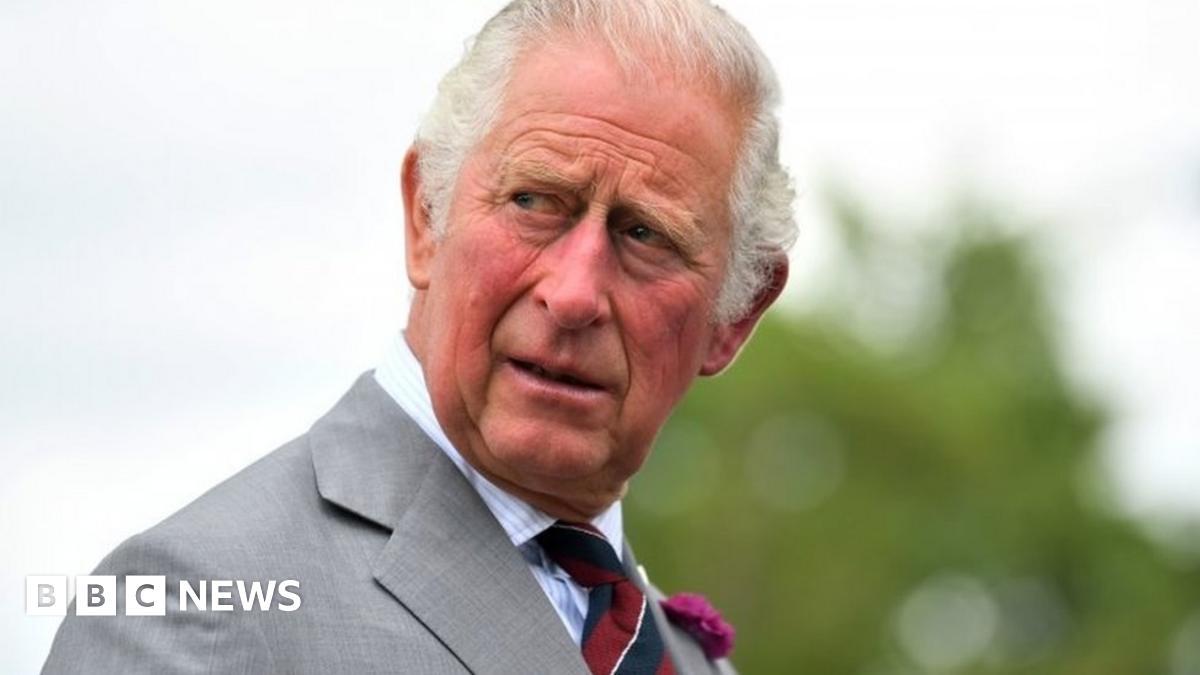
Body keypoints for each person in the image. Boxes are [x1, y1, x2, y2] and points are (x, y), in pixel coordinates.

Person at [42, 1, 796, 673]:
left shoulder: (684, 656)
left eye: (646, 234)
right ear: (426, 217)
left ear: (734, 317)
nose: (572, 294)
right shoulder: (189, 611)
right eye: (534, 200)